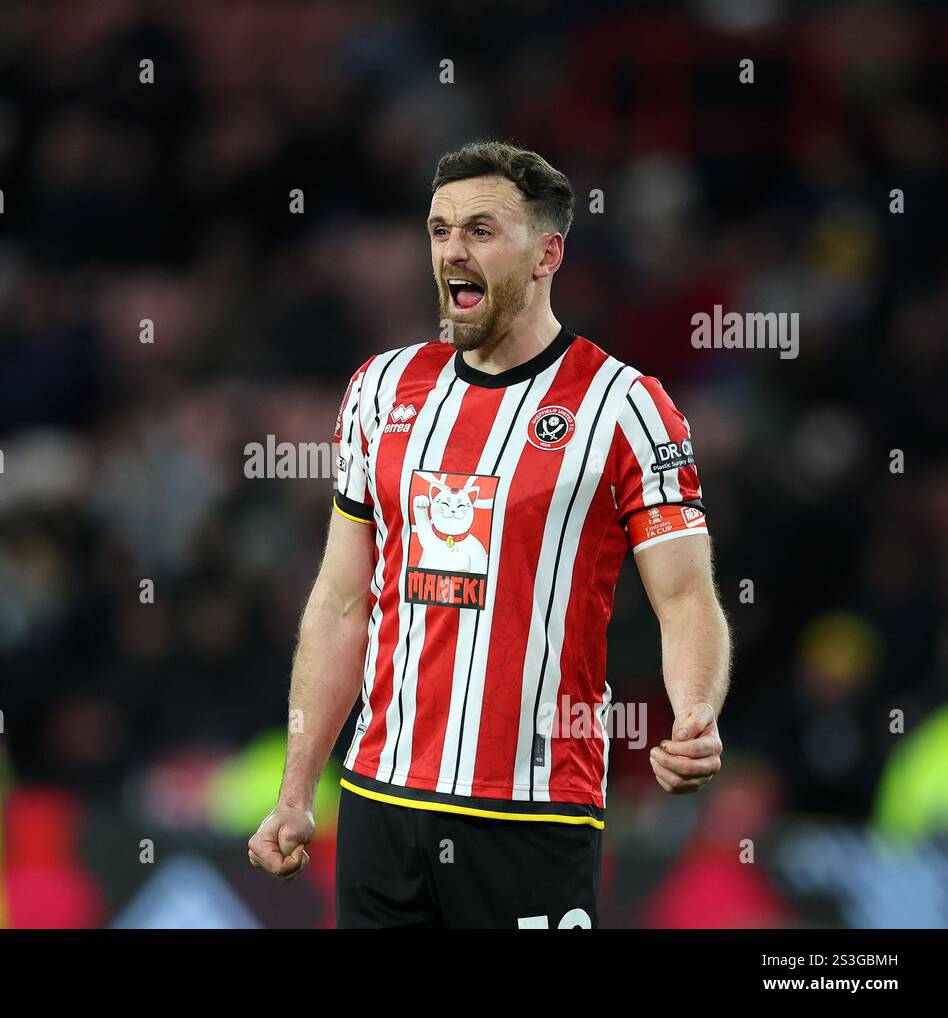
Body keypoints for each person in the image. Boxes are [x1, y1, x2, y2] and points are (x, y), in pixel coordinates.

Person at [248, 140, 731, 928]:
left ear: (547, 253)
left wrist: (695, 714)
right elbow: (340, 603)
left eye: (479, 230)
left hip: (531, 812)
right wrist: (298, 792)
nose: (451, 251)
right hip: (379, 804)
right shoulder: (380, 390)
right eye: (439, 230)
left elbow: (684, 597)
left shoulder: (627, 407)